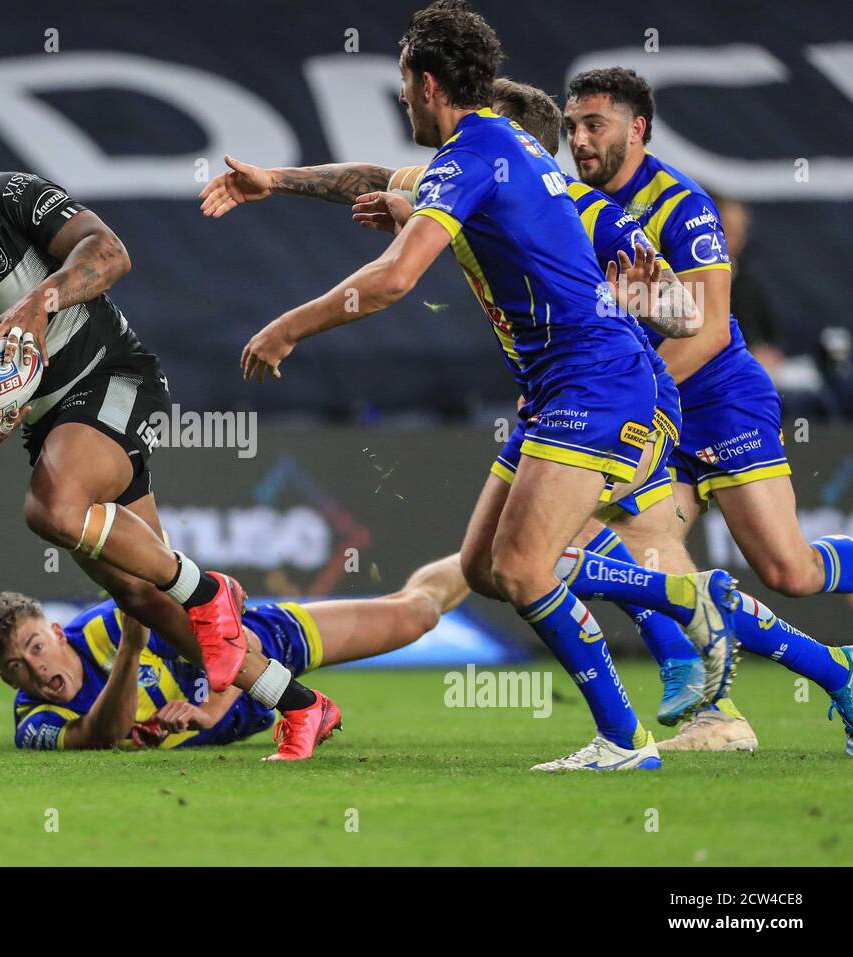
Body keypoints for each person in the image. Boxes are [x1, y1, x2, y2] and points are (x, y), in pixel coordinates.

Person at [215, 0, 743, 773]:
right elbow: (370, 177)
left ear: (428, 85)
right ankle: (682, 599)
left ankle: (628, 735)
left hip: (593, 381)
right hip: (558, 386)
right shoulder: (503, 147)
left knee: (530, 568)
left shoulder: (475, 153)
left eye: (403, 85)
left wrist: (289, 325)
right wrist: (277, 180)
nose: (400, 100)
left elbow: (396, 278)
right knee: (487, 570)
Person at [0, 122, 340, 759]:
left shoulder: (3, 196)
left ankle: (211, 590)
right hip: (52, 426)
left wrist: (42, 300)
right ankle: (302, 706)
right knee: (146, 598)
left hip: (110, 376)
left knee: (51, 509)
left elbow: (109, 253)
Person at [563, 67, 853, 753]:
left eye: (593, 124)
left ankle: (824, 670)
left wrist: (631, 392)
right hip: (648, 409)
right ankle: (712, 709)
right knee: (635, 551)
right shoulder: (572, 207)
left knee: (790, 571)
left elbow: (713, 328)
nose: (578, 138)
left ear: (637, 129)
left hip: (718, 399)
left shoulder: (682, 204)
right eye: (571, 125)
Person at [0, 555, 468, 753]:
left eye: (36, 646)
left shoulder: (114, 623)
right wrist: (134, 653)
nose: (37, 668)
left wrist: (208, 712)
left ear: (58, 633)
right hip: (234, 703)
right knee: (412, 613)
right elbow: (98, 736)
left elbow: (239, 646)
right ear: (6, 680)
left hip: (267, 645)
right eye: (18, 667)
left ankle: (492, 554)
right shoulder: (33, 723)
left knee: (415, 615)